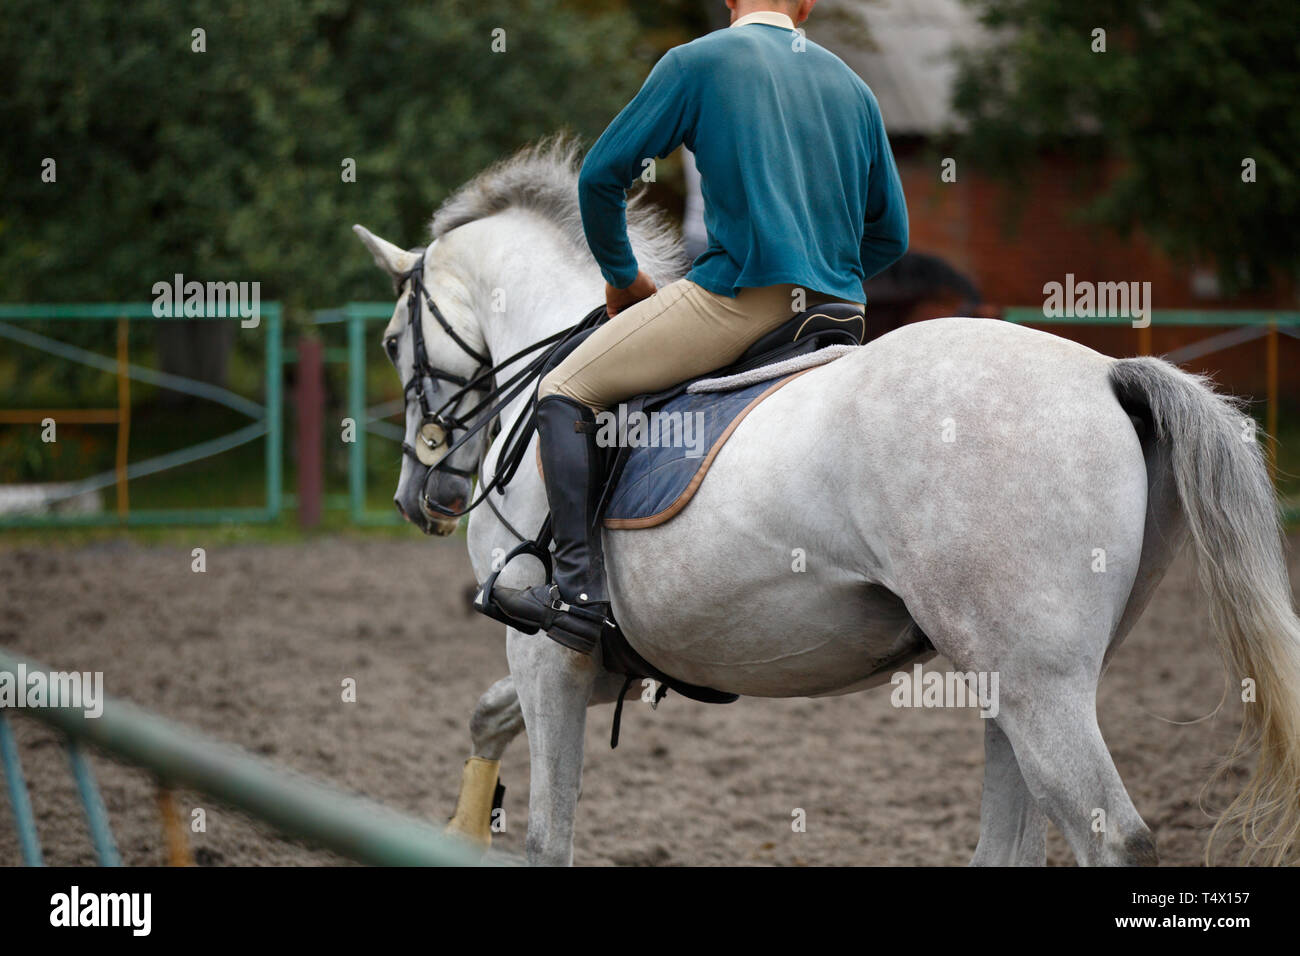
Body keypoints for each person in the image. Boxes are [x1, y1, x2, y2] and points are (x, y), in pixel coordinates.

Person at [489, 0, 909, 652]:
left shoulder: (699, 62)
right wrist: (829, 271)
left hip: (741, 300)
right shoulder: (853, 86)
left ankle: (576, 597)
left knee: (564, 390)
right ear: (806, 6)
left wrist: (624, 275)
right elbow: (892, 234)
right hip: (841, 312)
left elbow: (600, 177)